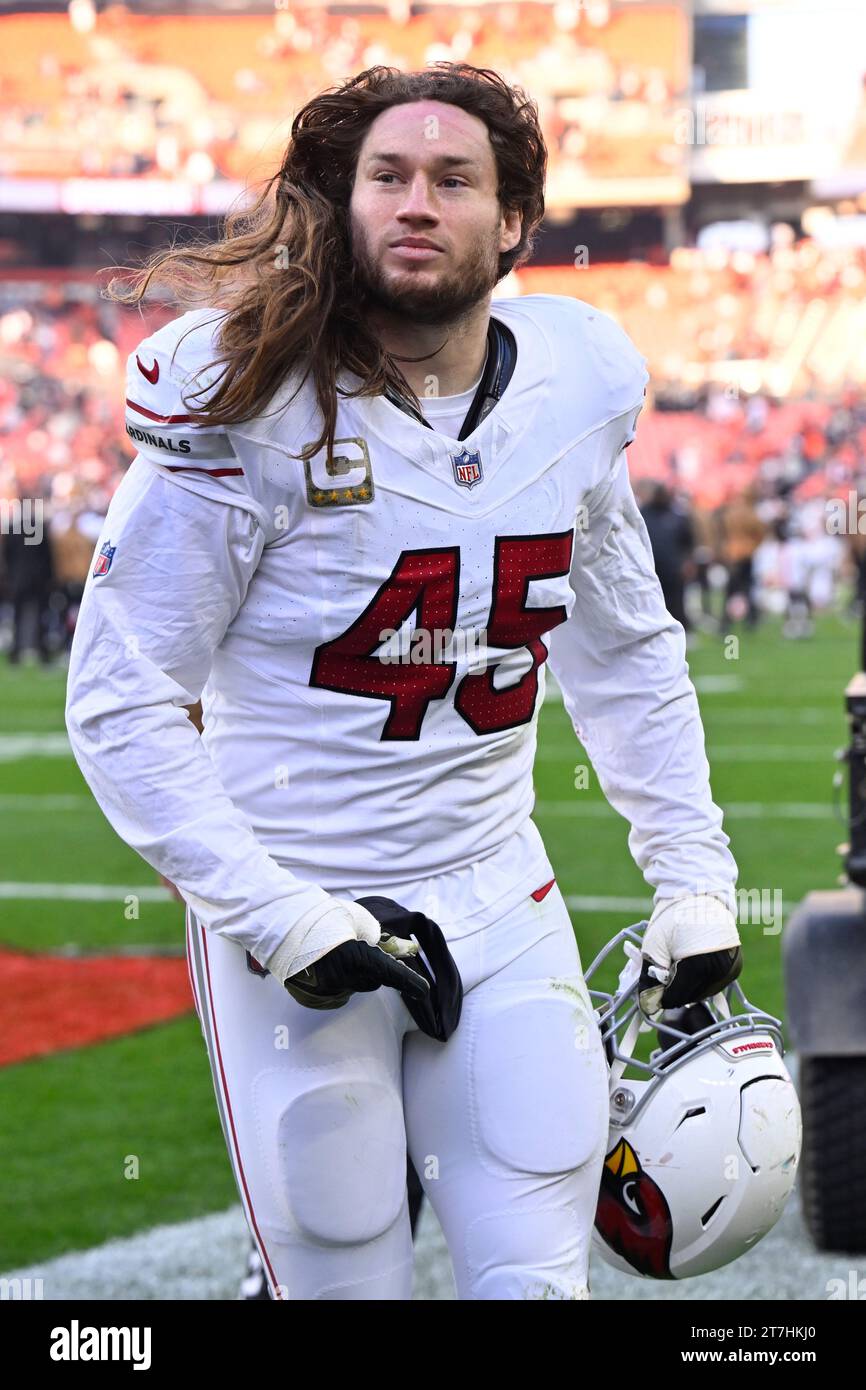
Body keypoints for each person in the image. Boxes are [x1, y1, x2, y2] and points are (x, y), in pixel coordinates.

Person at [65, 63, 741, 1301]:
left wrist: (692, 872)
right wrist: (271, 910)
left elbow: (625, 649)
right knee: (341, 1275)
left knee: (534, 1286)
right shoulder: (249, 403)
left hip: (499, 888)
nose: (414, 202)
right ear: (344, 202)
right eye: (386, 176)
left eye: (451, 178)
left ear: (514, 221)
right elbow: (120, 700)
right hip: (299, 908)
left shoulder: (575, 383)